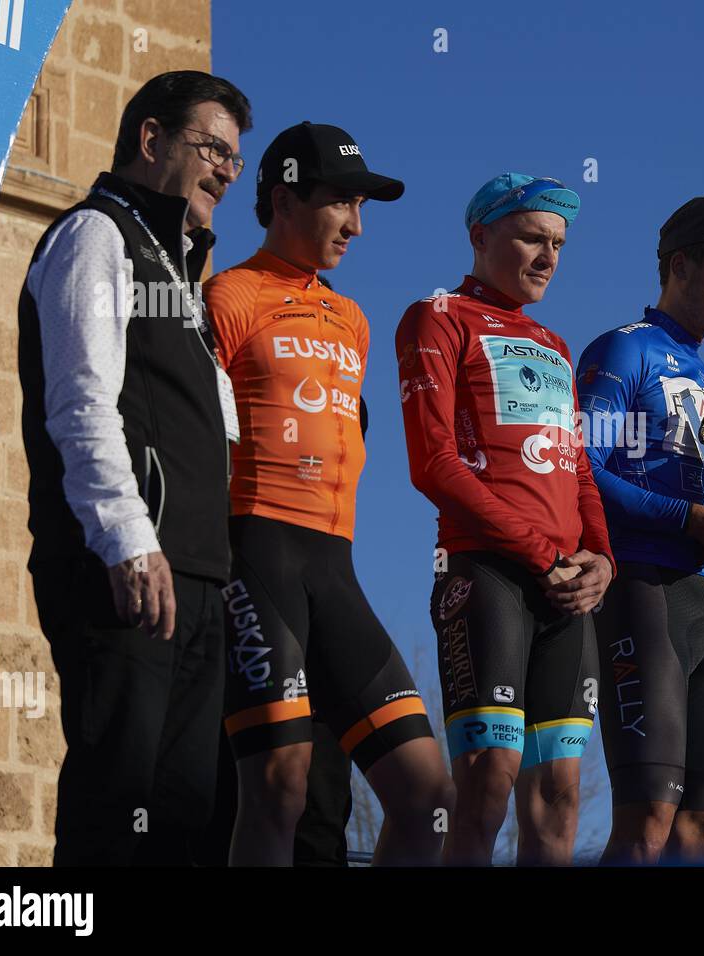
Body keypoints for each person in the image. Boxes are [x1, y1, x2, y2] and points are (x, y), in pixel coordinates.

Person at [202, 122, 452, 866]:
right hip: (256, 551)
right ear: (284, 198)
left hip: (335, 566)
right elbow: (199, 440)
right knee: (278, 786)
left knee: (425, 794)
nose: (356, 223)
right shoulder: (228, 295)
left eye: (362, 205)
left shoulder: (353, 318)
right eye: (342, 202)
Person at [18, 71, 252, 865]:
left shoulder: (178, 269)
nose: (225, 170)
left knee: (184, 817)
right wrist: (125, 537)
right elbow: (82, 400)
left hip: (194, 576)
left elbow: (208, 427)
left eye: (235, 160)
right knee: (116, 808)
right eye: (212, 149)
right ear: (151, 141)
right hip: (127, 567)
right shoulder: (97, 235)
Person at [395, 174, 615, 865]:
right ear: (481, 236)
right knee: (489, 777)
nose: (548, 256)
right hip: (486, 572)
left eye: (558, 244)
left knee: (560, 792)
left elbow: (575, 468)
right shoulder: (438, 315)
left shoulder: (553, 342)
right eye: (532, 238)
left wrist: (602, 559)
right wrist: (539, 551)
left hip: (566, 586)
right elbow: (433, 464)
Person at [574, 196, 704, 864]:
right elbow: (580, 471)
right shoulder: (623, 350)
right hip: (647, 590)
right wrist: (688, 519)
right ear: (680, 265)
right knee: (648, 825)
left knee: (700, 838)